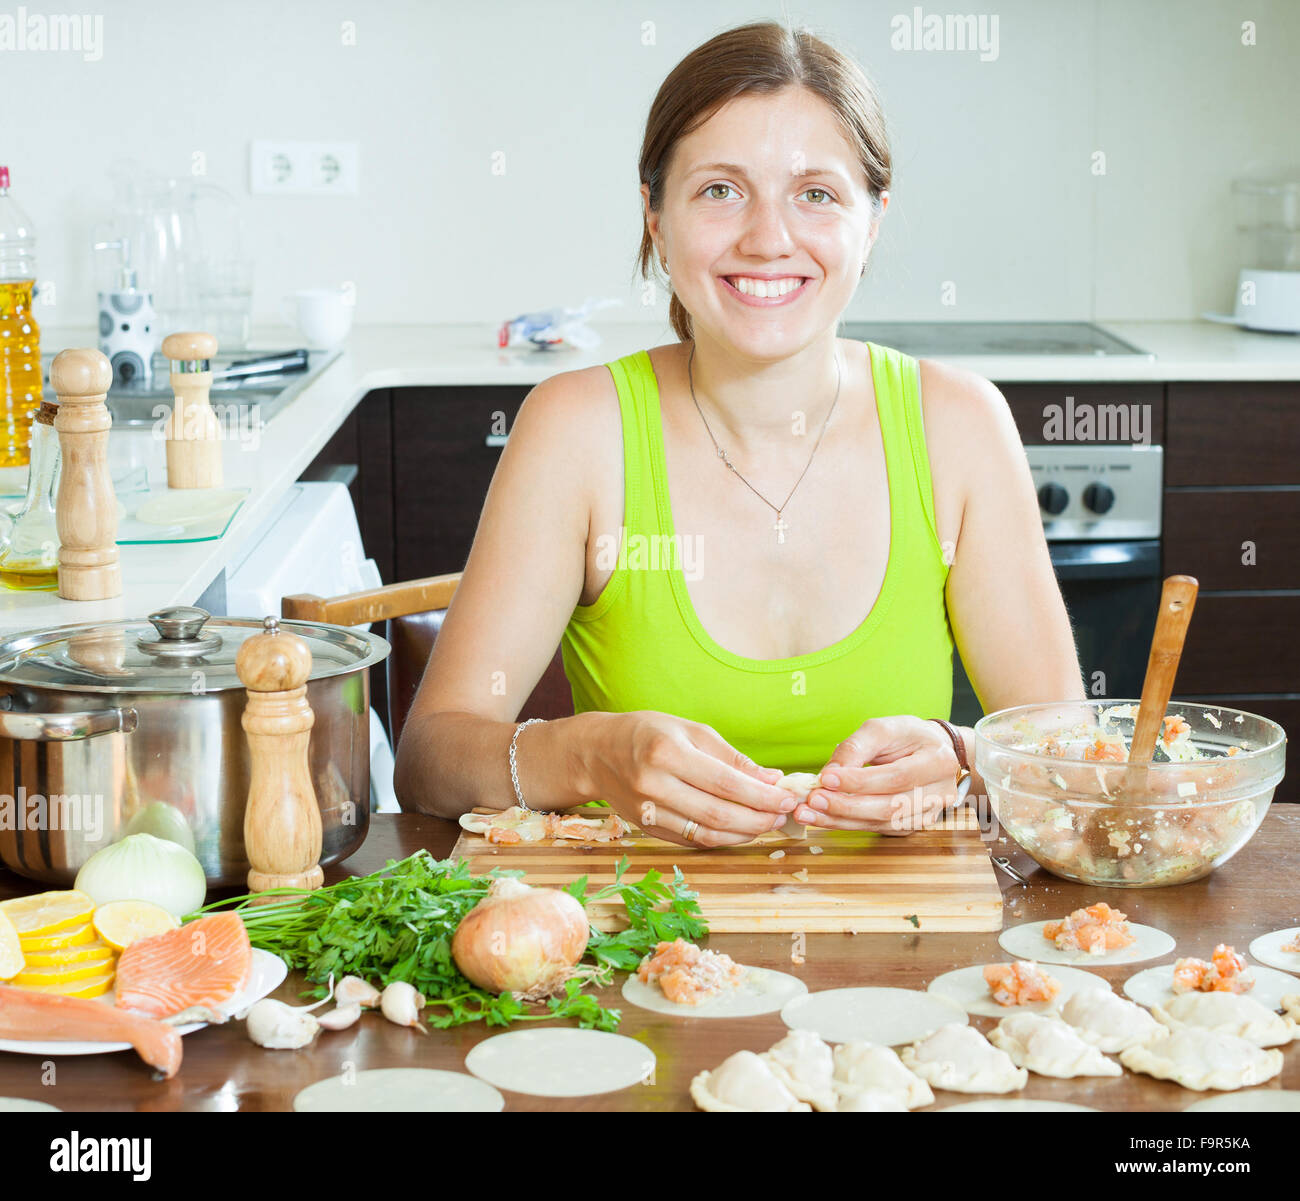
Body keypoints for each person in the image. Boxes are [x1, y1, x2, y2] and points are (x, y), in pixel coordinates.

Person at [394, 20, 1084, 846]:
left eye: (817, 194)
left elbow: (1069, 763)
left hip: (908, 951)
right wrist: (584, 753)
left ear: (872, 221)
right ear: (654, 215)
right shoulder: (577, 431)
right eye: (720, 190)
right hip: (640, 946)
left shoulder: (960, 426)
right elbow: (429, 761)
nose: (768, 239)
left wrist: (966, 757)